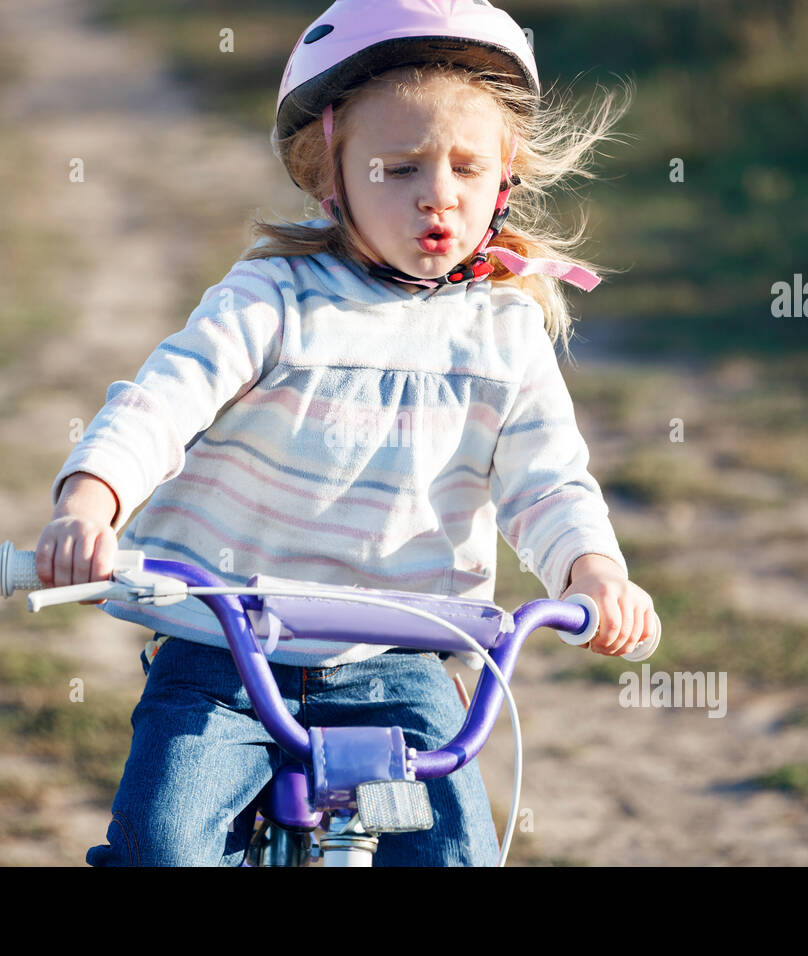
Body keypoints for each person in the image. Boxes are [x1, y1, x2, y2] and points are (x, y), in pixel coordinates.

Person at [36, 0, 655, 866]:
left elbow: (546, 480)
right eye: (400, 168)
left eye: (467, 169)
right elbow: (164, 397)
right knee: (164, 844)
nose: (438, 194)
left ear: (504, 177)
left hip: (400, 653)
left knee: (453, 852)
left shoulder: (505, 334)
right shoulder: (272, 299)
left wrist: (596, 574)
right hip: (228, 649)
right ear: (331, 174)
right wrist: (90, 502)